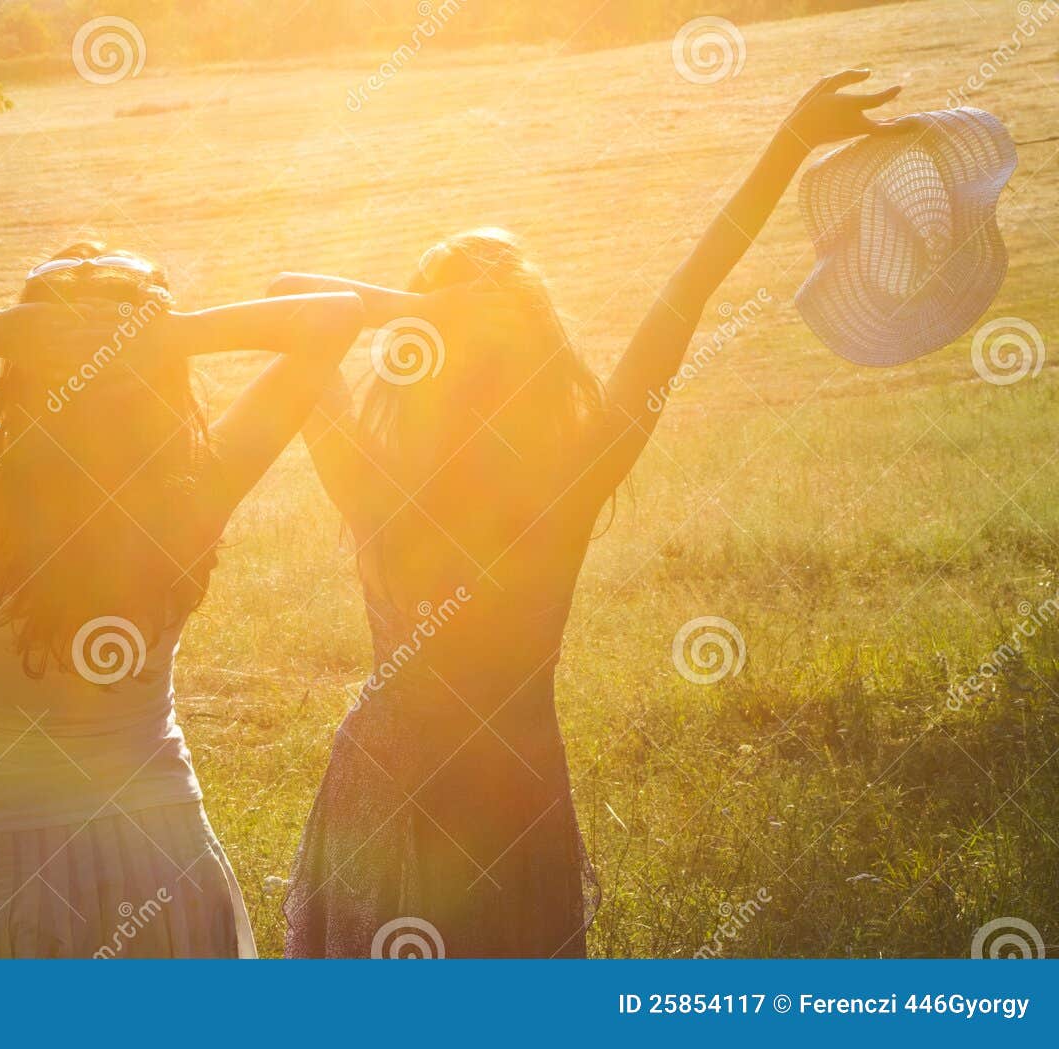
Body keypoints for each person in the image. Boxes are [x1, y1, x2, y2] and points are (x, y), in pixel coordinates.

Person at [273, 72, 906, 958]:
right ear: (540, 348)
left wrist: (422, 309)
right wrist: (792, 142)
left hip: (395, 789)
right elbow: (687, 293)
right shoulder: (574, 471)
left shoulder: (377, 478)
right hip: (508, 790)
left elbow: (291, 299)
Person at [0, 241, 363, 957]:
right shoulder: (202, 476)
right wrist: (171, 333)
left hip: (21, 882)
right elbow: (337, 318)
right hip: (168, 863)